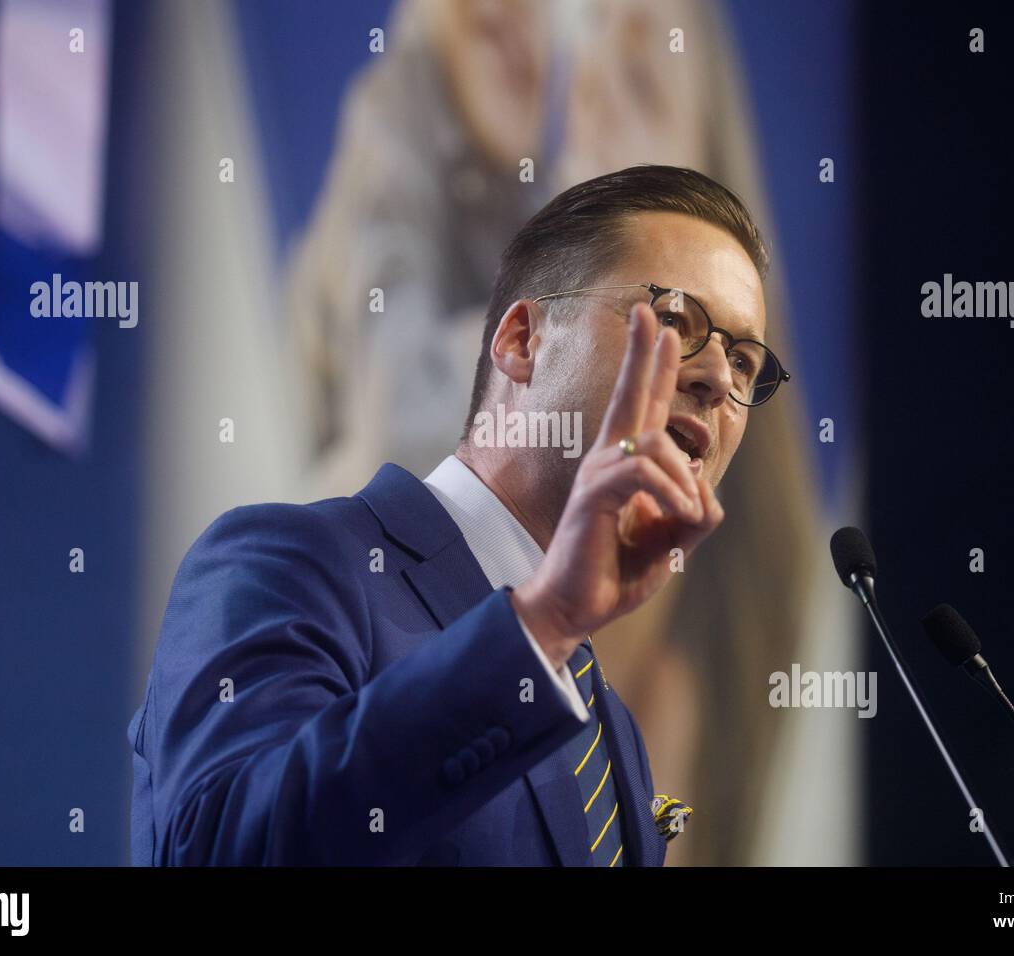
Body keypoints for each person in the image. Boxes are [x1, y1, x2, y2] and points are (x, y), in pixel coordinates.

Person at [127, 164, 788, 866]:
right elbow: (222, 848)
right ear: (522, 342)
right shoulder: (292, 564)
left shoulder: (612, 729)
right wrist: (546, 622)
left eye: (744, 362)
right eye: (672, 320)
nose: (719, 378)